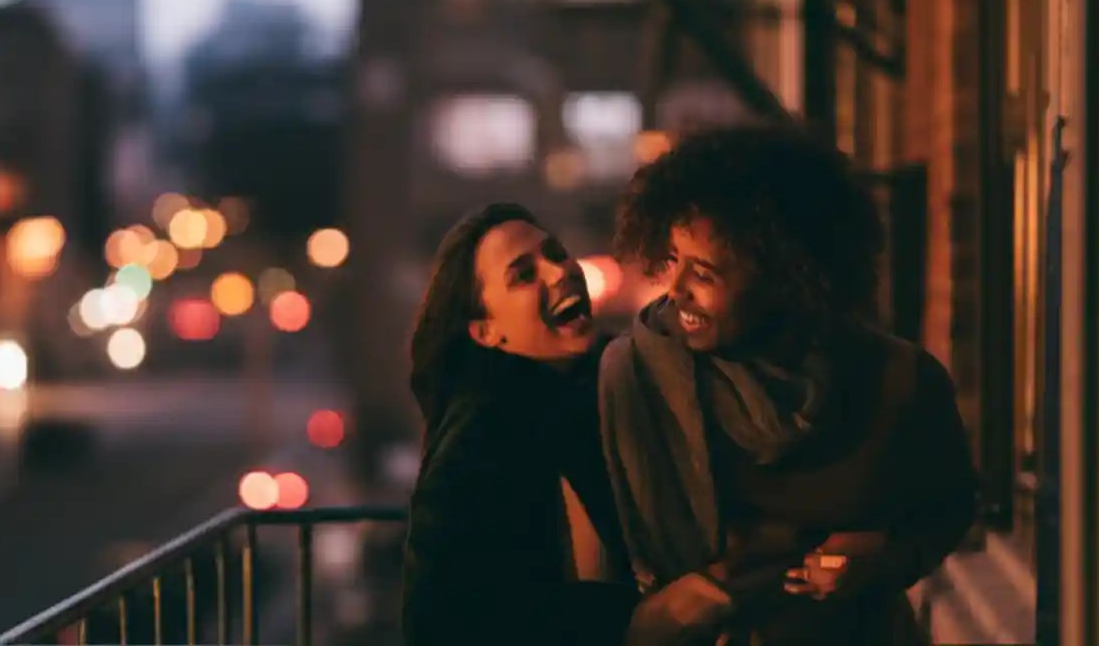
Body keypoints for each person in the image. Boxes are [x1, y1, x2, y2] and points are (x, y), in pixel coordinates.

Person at [599, 125, 979, 645]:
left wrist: (880, 556)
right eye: (672, 262)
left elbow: (950, 507)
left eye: (705, 274)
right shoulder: (638, 377)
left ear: (786, 276)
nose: (677, 291)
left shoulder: (897, 379)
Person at [401, 203, 731, 646]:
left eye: (555, 253)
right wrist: (632, 622)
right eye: (523, 275)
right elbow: (445, 620)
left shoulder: (602, 388)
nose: (559, 272)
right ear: (485, 331)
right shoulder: (482, 433)